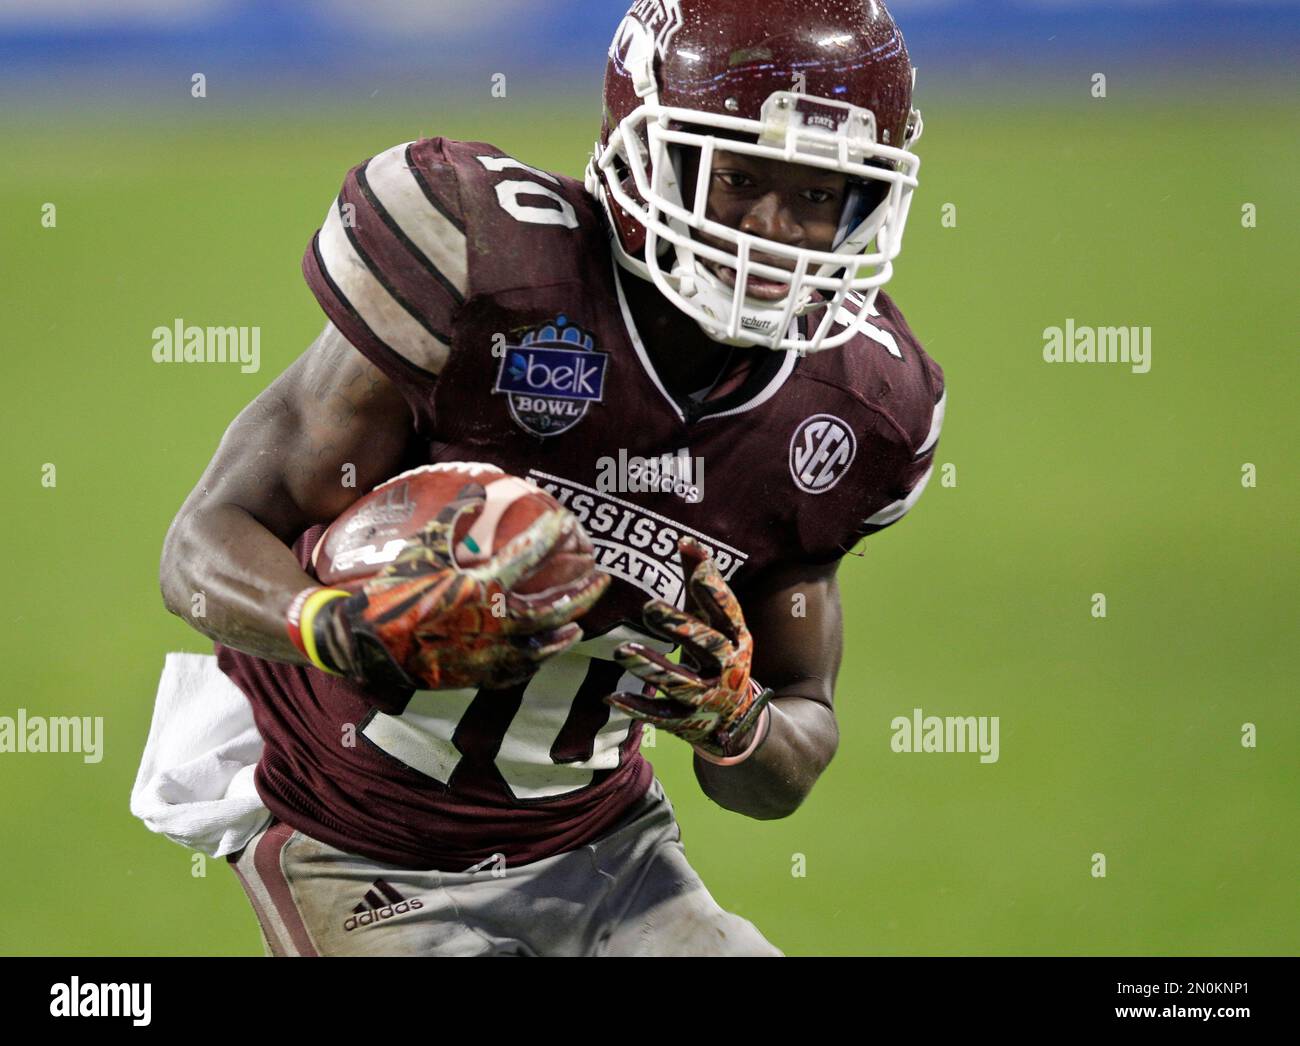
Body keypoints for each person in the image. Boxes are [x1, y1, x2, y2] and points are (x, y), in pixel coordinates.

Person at [153, 0, 946, 956]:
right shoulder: (487, 267)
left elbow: (789, 756)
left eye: (821, 195)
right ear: (647, 152)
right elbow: (206, 537)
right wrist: (333, 627)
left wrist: (736, 722)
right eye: (738, 177)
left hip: (607, 848)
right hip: (357, 838)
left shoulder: (856, 408)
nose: (774, 232)